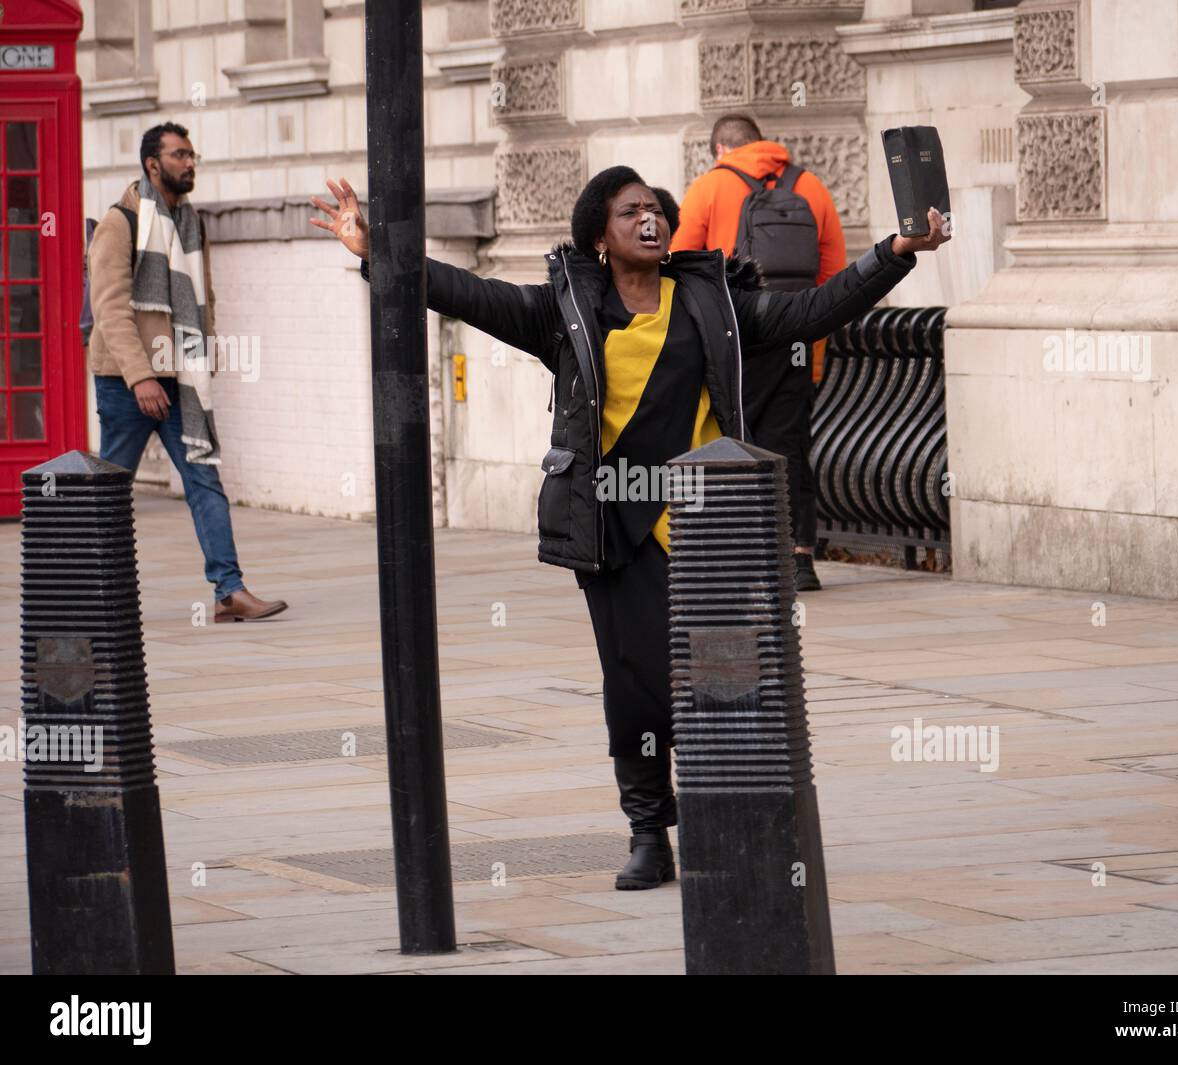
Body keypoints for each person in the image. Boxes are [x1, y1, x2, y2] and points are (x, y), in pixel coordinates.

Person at [311, 170, 949, 889]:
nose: (649, 220)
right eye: (630, 211)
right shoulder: (566, 309)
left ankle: (730, 816)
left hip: (712, 529)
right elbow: (466, 293)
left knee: (726, 677)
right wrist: (378, 256)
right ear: (599, 235)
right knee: (636, 684)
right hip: (616, 528)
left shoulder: (713, 300)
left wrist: (896, 250)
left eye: (655, 210)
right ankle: (649, 830)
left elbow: (811, 312)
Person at [88, 122, 287, 624]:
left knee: (205, 480)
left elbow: (205, 298)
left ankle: (230, 591)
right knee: (112, 489)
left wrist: (202, 360)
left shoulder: (191, 222)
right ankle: (89, 593)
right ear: (153, 164)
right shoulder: (120, 222)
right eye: (180, 155)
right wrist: (141, 378)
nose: (190, 163)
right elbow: (110, 310)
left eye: (193, 154)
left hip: (182, 380)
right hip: (125, 382)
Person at [672, 114, 848, 591]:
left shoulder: (709, 187)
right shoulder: (810, 185)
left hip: (735, 339)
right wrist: (812, 349)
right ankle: (800, 557)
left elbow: (678, 266)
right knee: (789, 446)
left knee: (731, 440)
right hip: (795, 337)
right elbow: (833, 277)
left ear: (720, 151)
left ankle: (742, 554)